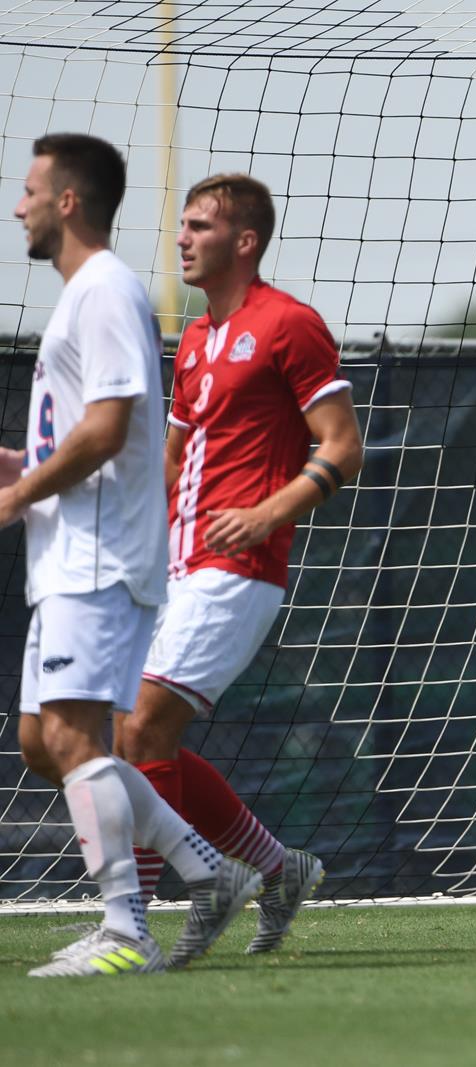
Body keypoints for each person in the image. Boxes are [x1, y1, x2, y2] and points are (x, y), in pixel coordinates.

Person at [10, 133, 260, 976]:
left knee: (83, 739)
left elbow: (109, 427)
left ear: (69, 201)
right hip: (67, 555)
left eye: (32, 190)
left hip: (99, 557)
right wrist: (20, 466)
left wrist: (19, 493)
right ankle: (207, 866)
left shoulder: (108, 290)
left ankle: (126, 927)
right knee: (44, 742)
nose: (20, 206)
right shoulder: (82, 295)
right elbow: (78, 430)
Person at [111, 173, 363, 953]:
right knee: (135, 737)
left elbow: (343, 445)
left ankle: (133, 925)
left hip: (239, 569)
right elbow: (174, 455)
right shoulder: (192, 337)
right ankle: (272, 866)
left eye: (199, 226)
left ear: (244, 241)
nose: (182, 238)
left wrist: (264, 512)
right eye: (182, 225)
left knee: (144, 723)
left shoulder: (289, 324)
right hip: (174, 567)